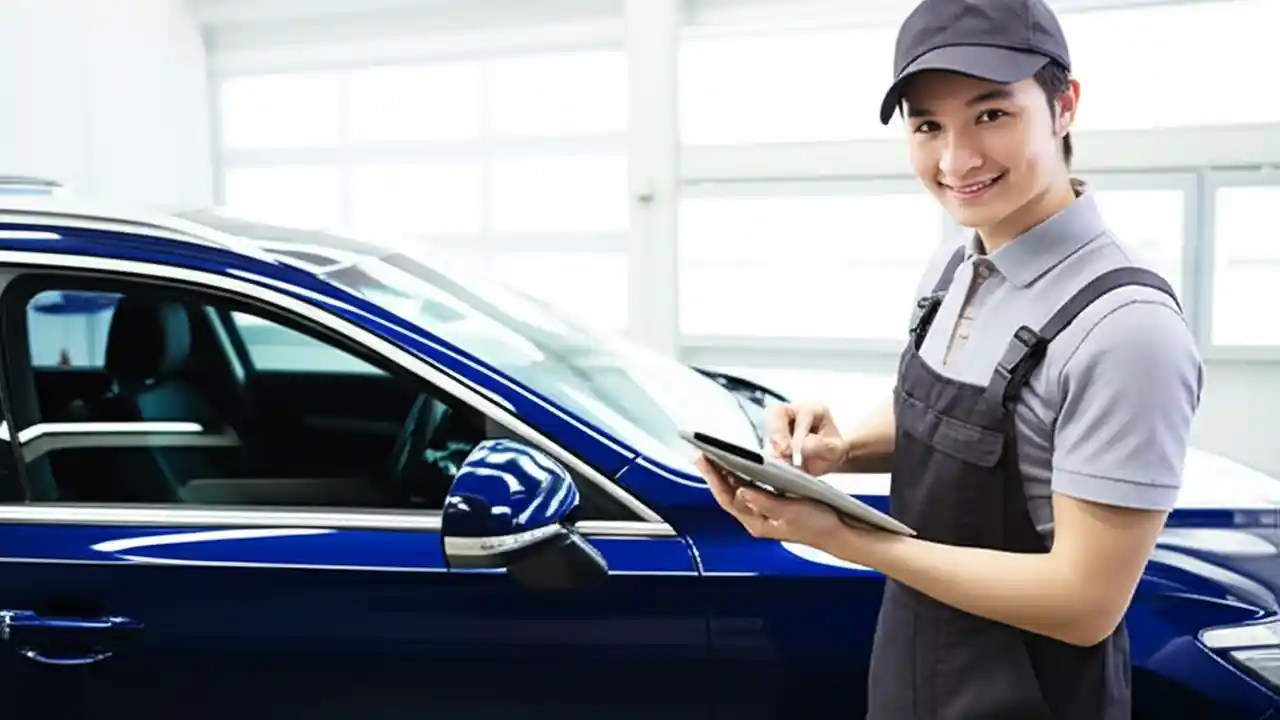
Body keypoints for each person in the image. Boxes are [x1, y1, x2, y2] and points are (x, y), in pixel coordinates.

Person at [692, 0, 1205, 717]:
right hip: (914, 675)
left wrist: (851, 541)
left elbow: (1085, 602)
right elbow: (953, 427)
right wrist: (841, 450)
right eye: (928, 126)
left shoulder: (1126, 330)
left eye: (992, 115)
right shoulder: (954, 268)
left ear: (1065, 107)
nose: (956, 160)